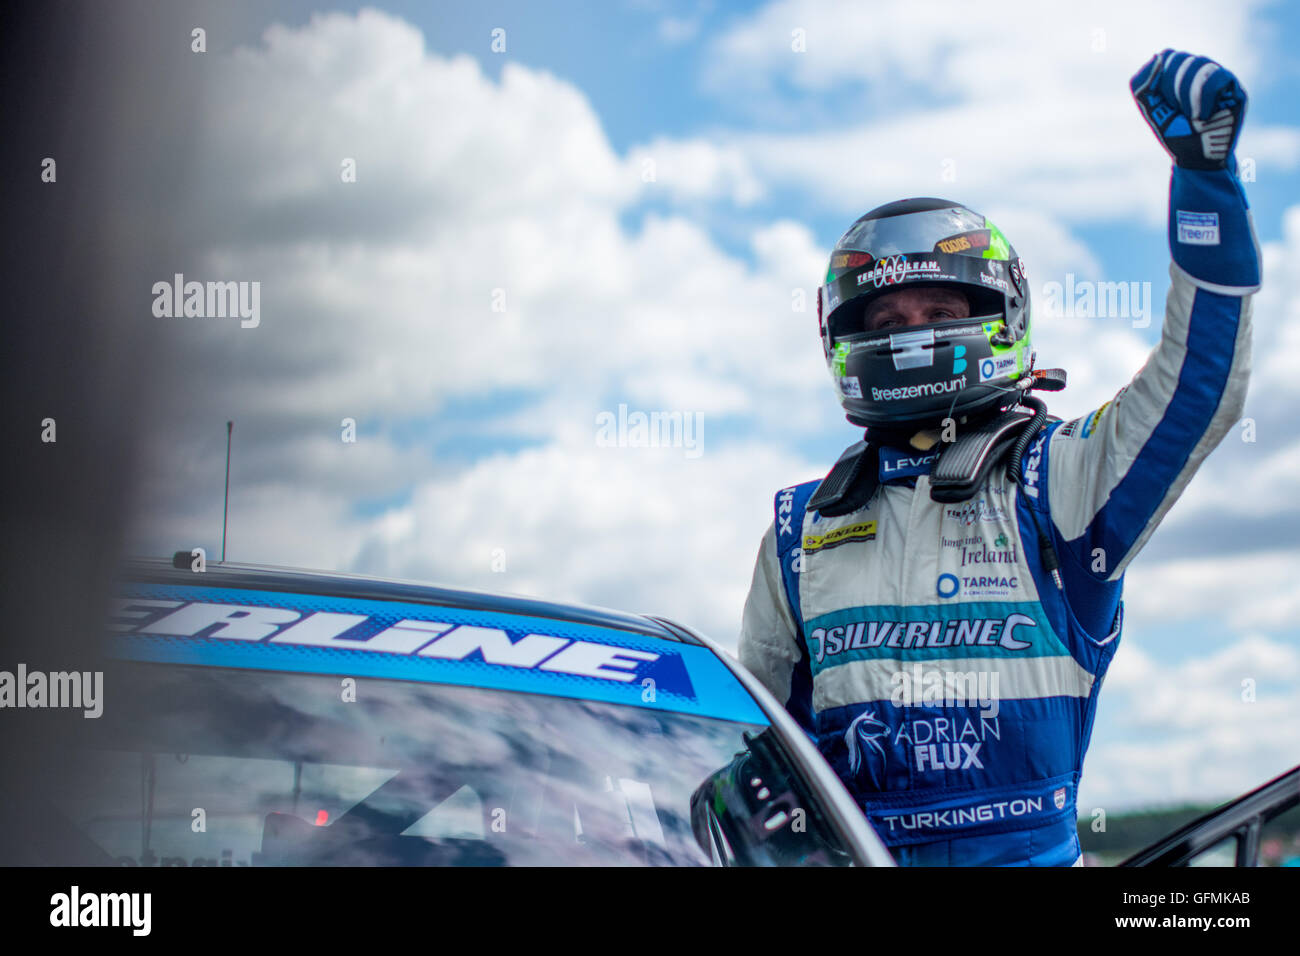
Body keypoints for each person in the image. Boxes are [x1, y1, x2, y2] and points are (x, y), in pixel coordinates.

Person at [737, 49, 1260, 866]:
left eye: (940, 307)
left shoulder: (1062, 482)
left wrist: (1205, 186)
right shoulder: (798, 529)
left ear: (1001, 313)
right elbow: (760, 754)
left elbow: (1200, 388)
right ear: (842, 339)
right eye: (884, 317)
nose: (909, 332)